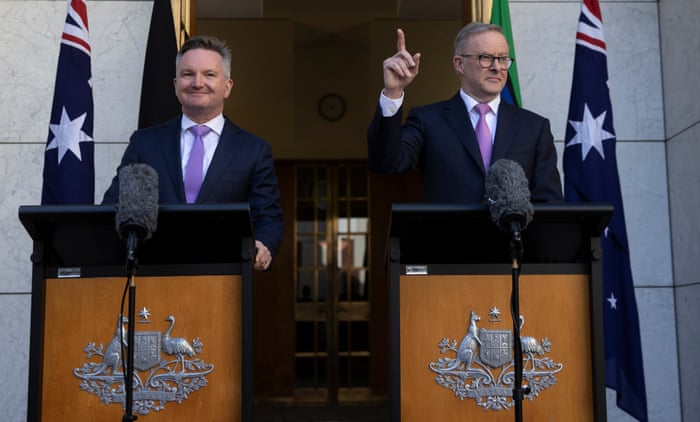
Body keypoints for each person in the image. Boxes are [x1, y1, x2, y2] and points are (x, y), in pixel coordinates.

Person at [103, 35, 283, 271]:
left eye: (209, 74)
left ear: (227, 86)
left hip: (223, 280)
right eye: (188, 74)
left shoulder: (254, 150)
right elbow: (114, 206)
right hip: (153, 275)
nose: (198, 83)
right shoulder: (144, 143)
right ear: (176, 85)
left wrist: (263, 244)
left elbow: (268, 217)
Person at [367, 23, 563, 203]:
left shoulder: (534, 127)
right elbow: (387, 163)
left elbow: (549, 202)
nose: (497, 67)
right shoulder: (428, 120)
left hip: (513, 240)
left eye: (502, 59)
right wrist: (393, 92)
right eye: (486, 58)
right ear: (459, 64)